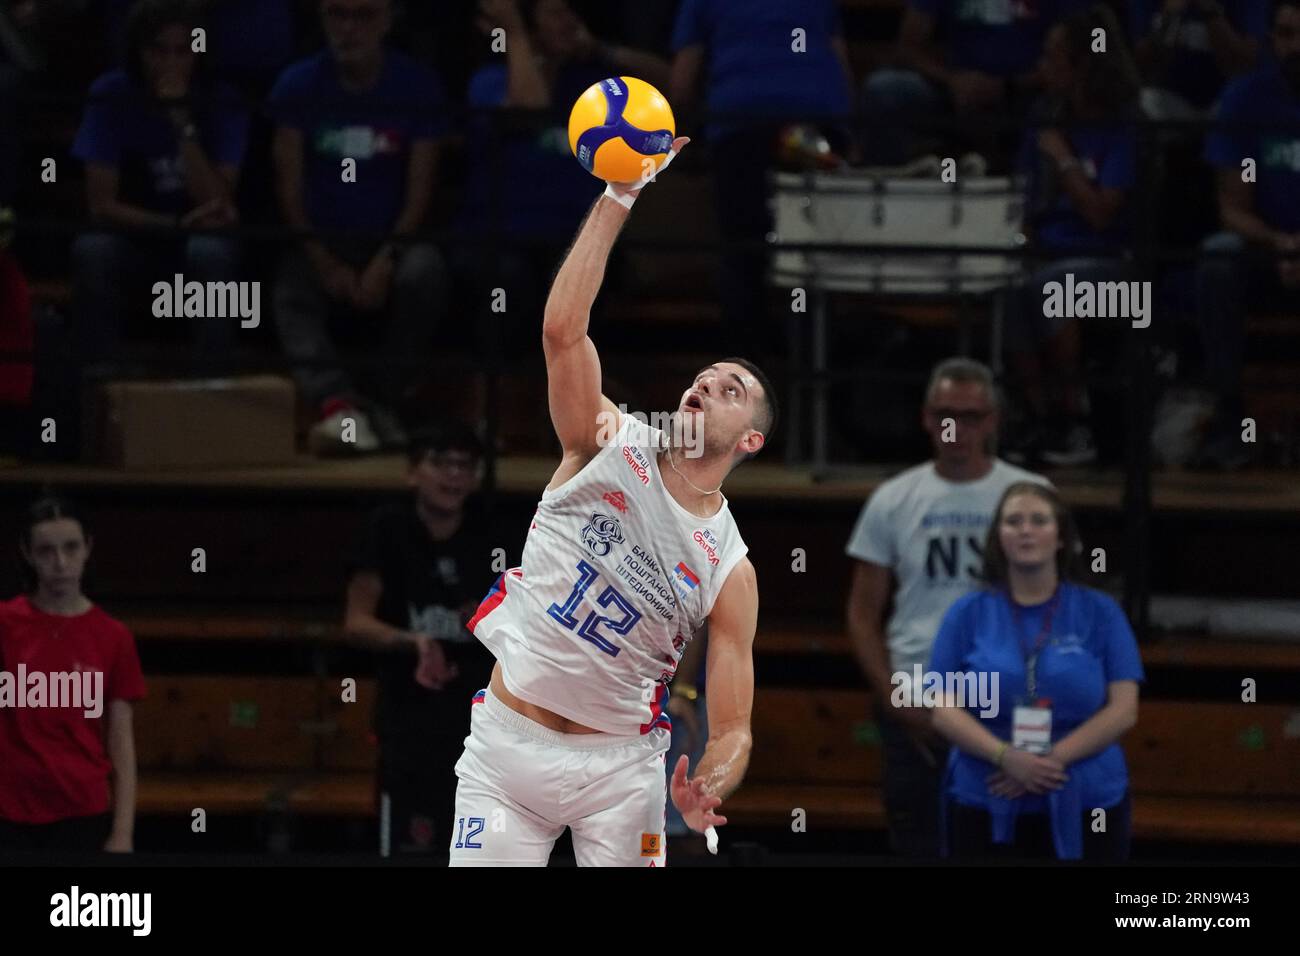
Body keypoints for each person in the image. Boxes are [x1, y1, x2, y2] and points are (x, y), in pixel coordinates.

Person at [449, 138, 773, 867]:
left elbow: (734, 730)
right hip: (510, 745)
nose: (705, 386)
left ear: (748, 441)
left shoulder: (730, 568)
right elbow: (563, 332)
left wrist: (710, 784)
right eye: (705, 375)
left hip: (620, 775)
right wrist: (618, 196)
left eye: (731, 391)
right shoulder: (605, 440)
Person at [844, 357, 1050, 859]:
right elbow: (861, 615)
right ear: (926, 419)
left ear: (993, 421)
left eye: (971, 415)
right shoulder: (893, 499)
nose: (956, 427)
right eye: (944, 414)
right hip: (916, 691)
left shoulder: (1029, 496)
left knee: (1008, 842)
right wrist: (895, 700)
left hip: (1006, 697)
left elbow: (1056, 608)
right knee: (921, 842)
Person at [268, 0, 450, 455]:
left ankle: (385, 401)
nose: (348, 29)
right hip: (322, 241)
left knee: (424, 272)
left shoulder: (416, 85)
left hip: (392, 240)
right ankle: (339, 407)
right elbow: (288, 187)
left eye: (362, 16)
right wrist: (323, 261)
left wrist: (385, 261)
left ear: (388, 20)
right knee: (291, 287)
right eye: (336, 15)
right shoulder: (298, 84)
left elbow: (420, 192)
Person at [928, 481, 1143, 861]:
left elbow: (1123, 710)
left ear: (1061, 538)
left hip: (1086, 794)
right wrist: (1006, 757)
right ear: (999, 538)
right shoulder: (967, 614)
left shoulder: (1101, 613)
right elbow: (942, 709)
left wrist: (1050, 760)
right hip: (987, 790)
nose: (1026, 529)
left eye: (1039, 520)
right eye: (1013, 521)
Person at [454, 0, 670, 358]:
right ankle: (508, 400)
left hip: (574, 236)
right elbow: (530, 107)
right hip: (502, 236)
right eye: (556, 12)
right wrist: (517, 36)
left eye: (573, 10)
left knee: (594, 273)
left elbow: (667, 84)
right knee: (509, 282)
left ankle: (575, 400)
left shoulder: (593, 86)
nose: (570, 21)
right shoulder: (491, 80)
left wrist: (600, 49)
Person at [343, 423, 508, 857]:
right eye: (441, 463)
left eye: (465, 466)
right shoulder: (387, 530)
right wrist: (412, 641)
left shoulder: (493, 536)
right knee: (407, 844)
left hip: (478, 725)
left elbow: (526, 634)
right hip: (407, 721)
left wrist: (489, 621)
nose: (453, 475)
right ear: (412, 472)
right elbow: (355, 623)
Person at [670, 0, 853, 360]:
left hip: (743, 126)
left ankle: (749, 373)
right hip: (817, 123)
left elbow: (681, 81)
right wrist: (850, 135)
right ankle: (817, 362)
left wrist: (680, 142)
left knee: (744, 252)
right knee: (817, 249)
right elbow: (839, 58)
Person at [70, 0, 249, 367]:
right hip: (135, 235)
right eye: (158, 50)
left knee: (211, 252)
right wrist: (172, 225)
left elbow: (219, 200)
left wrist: (180, 121)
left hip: (201, 236)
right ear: (138, 52)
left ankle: (214, 384)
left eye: (183, 51)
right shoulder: (110, 94)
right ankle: (100, 383)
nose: (170, 63)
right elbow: (101, 206)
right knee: (93, 249)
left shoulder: (223, 99)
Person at [1001, 4, 1141, 468]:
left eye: (1053, 57)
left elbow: (1103, 215)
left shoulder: (1125, 124)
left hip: (1121, 275)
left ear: (1082, 64)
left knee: (1053, 288)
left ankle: (1075, 416)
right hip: (1046, 253)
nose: (1042, 66)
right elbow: (1021, 200)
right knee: (1008, 288)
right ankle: (1043, 420)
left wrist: (1064, 160)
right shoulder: (1045, 116)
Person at [0, 491, 146, 853]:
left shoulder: (113, 636)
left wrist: (123, 831)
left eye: (71, 547)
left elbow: (120, 740)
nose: (61, 563)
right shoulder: (4, 623)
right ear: (27, 554)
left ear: (88, 548)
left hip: (81, 810)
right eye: (47, 551)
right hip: (9, 811)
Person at [1195, 0, 1300, 471]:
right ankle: (1230, 418)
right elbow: (1232, 209)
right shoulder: (1246, 99)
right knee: (1218, 259)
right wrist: (1279, 244)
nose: (1295, 47)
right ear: (1270, 39)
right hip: (1268, 250)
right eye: (1285, 34)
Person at [860, 0, 1091, 168]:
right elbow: (907, 48)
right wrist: (953, 81)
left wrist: (1005, 86)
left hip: (1028, 91)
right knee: (884, 91)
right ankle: (893, 200)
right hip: (955, 92)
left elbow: (1078, 52)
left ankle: (1038, 212)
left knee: (1054, 106)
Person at [1129, 0, 1268, 120]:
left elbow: (1245, 67)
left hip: (1225, 97)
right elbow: (1138, 69)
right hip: (1169, 97)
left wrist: (1210, 10)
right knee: (1142, 103)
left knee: (1247, 103)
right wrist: (1168, 17)